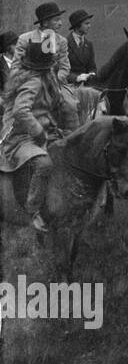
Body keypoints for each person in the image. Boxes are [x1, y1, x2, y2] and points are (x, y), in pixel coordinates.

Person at [0, 36, 81, 235]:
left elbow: (54, 106)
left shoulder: (46, 80)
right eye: (50, 64)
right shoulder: (32, 82)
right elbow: (21, 112)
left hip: (41, 130)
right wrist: (39, 132)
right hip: (19, 134)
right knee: (44, 163)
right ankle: (33, 211)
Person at [16, 2, 71, 85]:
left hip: (56, 84)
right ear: (45, 22)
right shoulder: (25, 39)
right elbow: (16, 66)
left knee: (70, 97)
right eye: (56, 20)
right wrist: (33, 82)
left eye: (60, 19)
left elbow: (65, 67)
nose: (60, 23)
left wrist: (53, 80)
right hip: (30, 83)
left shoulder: (62, 41)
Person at [67, 9, 97, 84]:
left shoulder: (89, 44)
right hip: (69, 86)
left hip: (87, 85)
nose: (89, 26)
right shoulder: (65, 43)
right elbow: (61, 70)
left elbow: (92, 67)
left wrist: (92, 74)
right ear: (77, 26)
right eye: (86, 24)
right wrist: (77, 78)